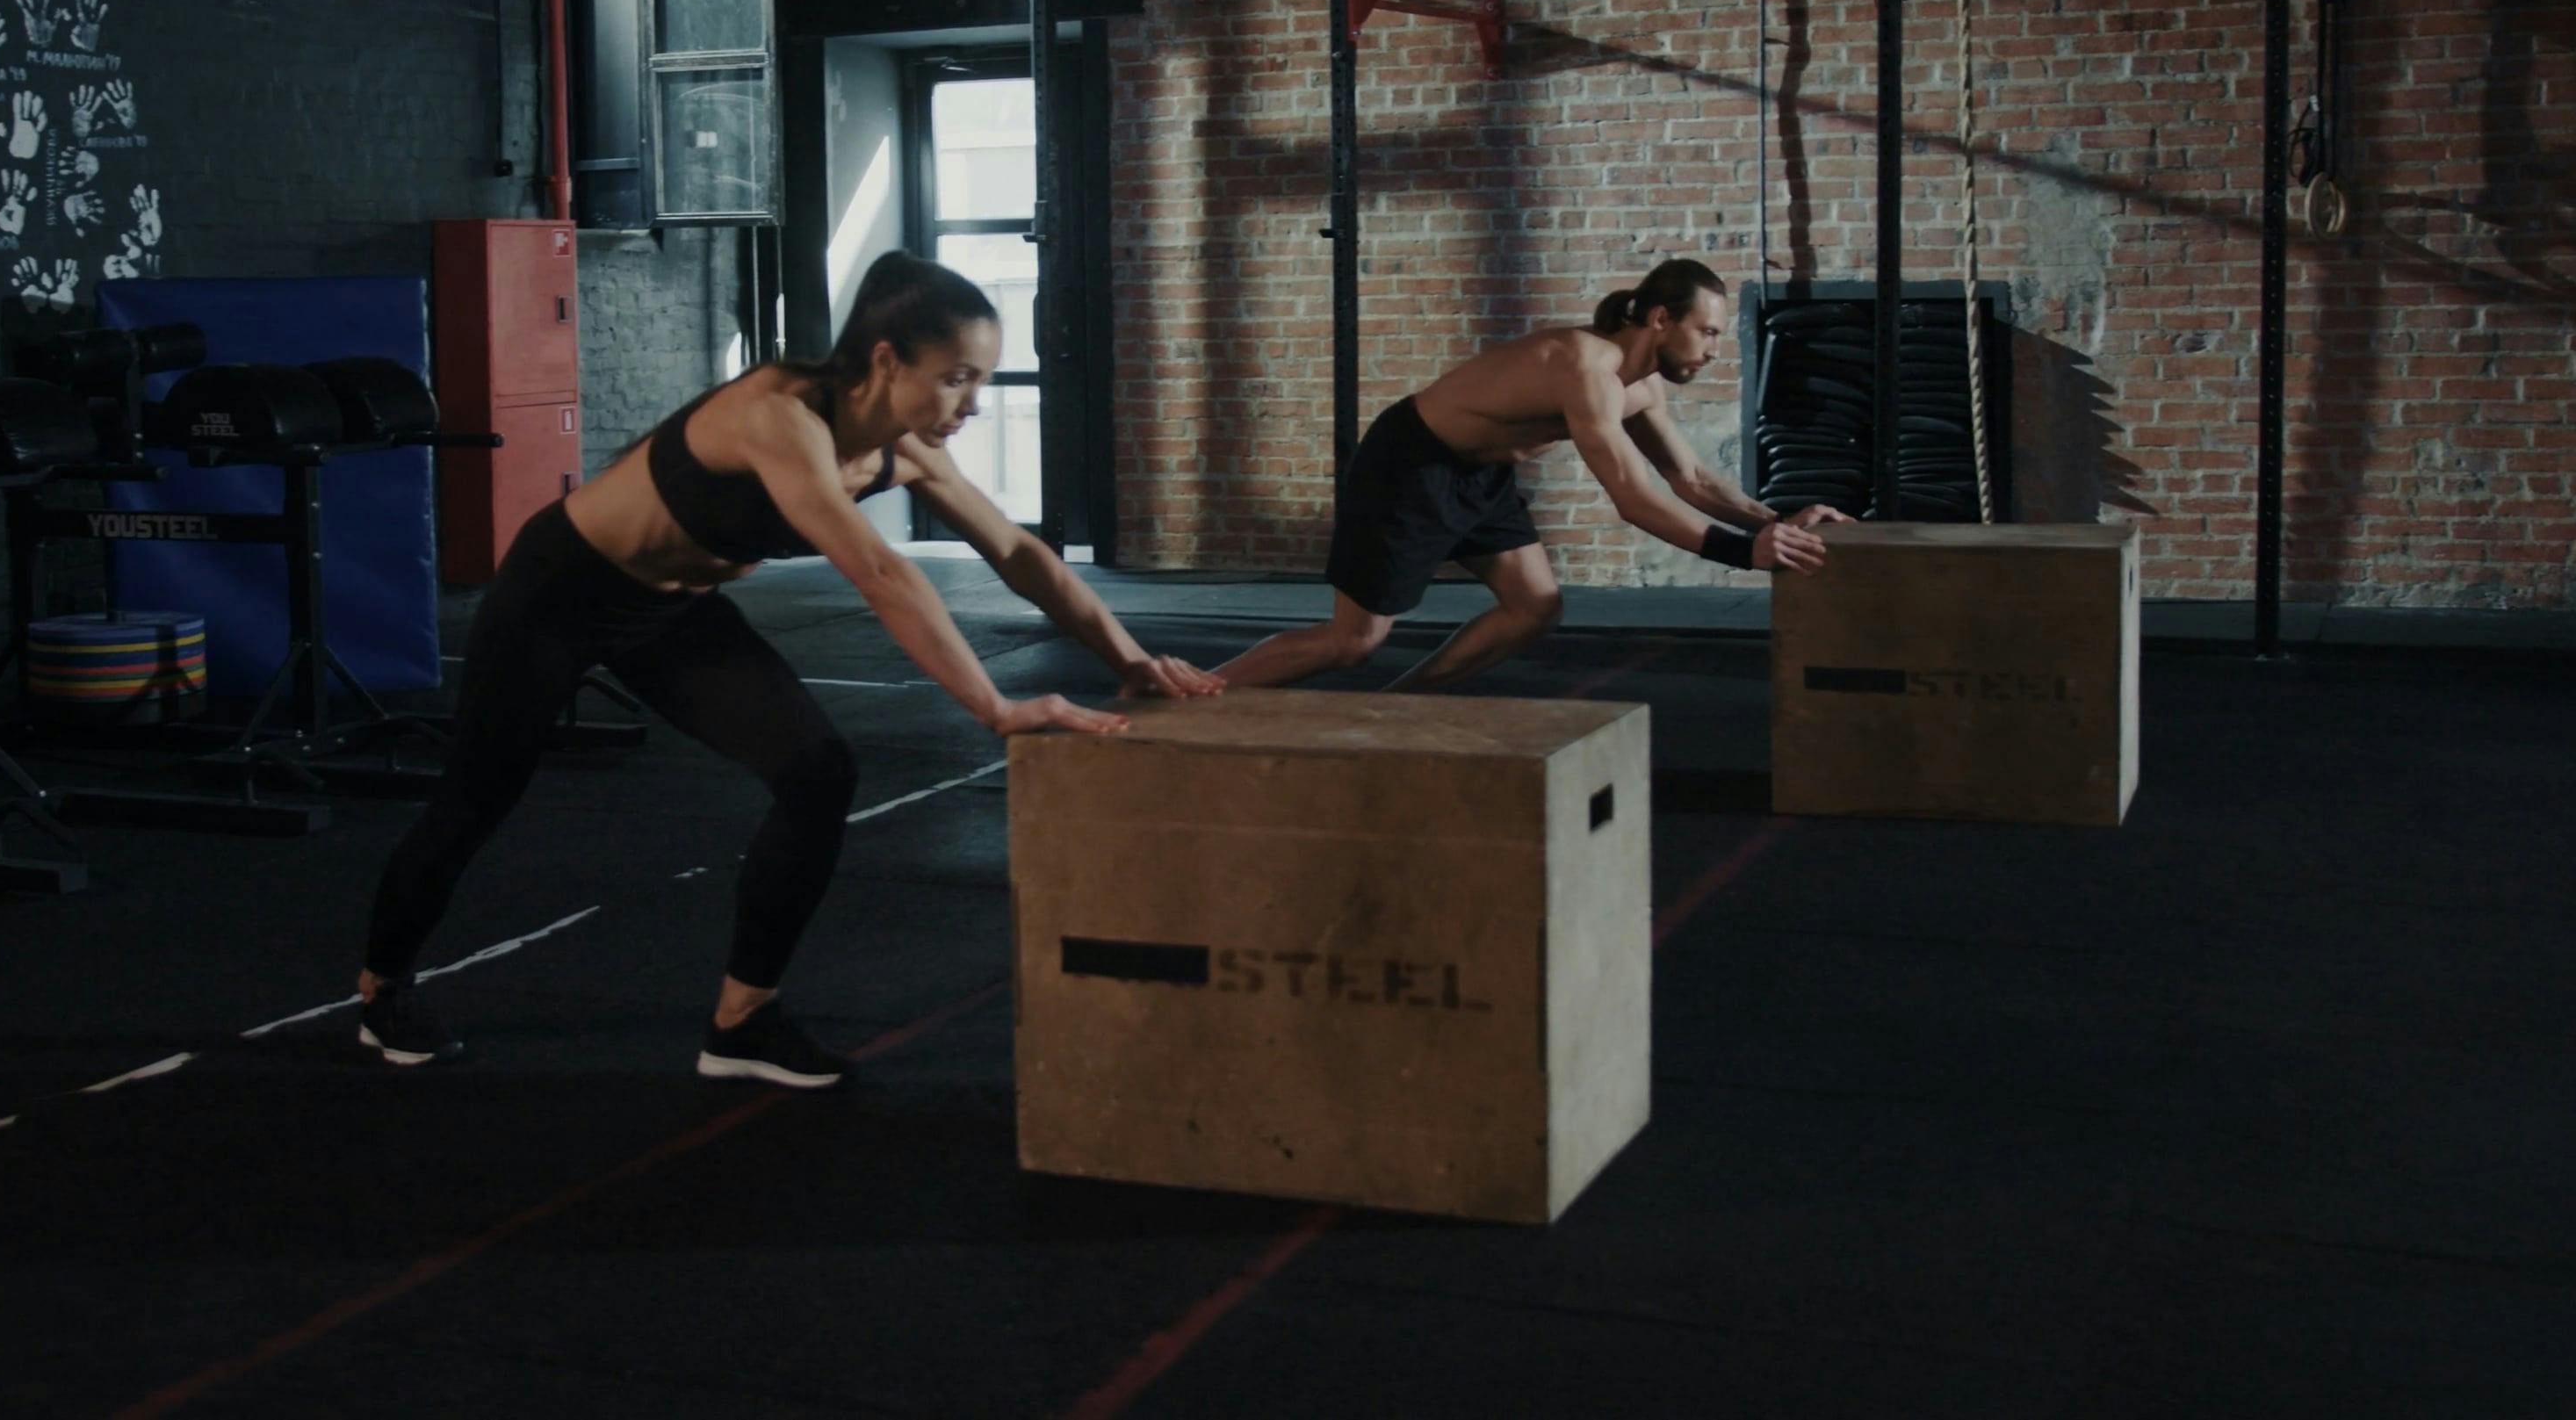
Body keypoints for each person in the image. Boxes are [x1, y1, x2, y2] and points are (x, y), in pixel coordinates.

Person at [355, 252, 1220, 1084]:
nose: (974, 402)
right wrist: (995, 707)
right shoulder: (775, 414)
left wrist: (1133, 659)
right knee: (477, 800)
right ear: (886, 358)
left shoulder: (907, 448)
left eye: (983, 380)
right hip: (560, 593)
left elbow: (1021, 554)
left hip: (671, 612)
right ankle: (381, 993)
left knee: (817, 772)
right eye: (958, 376)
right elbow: (880, 573)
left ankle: (743, 1022)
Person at [1217, 258, 1846, 693]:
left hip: (1481, 477)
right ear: (1660, 318)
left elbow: (1692, 478)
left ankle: (1402, 702)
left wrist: (1777, 522)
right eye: (1706, 331)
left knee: (1535, 605)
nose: (1714, 348)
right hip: (1412, 465)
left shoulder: (1641, 387)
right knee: (1350, 642)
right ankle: (1193, 689)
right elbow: (1632, 497)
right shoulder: (1586, 368)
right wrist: (1747, 554)